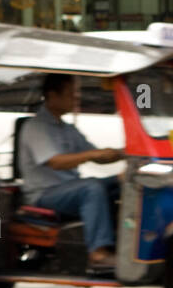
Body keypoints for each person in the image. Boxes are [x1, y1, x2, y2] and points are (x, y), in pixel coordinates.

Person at [16, 73, 124, 267]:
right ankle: (98, 253)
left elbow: (96, 154)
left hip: (70, 188)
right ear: (52, 95)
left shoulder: (67, 129)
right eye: (71, 93)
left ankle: (123, 244)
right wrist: (92, 156)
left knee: (123, 182)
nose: (76, 98)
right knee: (91, 188)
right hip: (45, 195)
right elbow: (56, 162)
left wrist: (127, 153)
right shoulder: (36, 127)